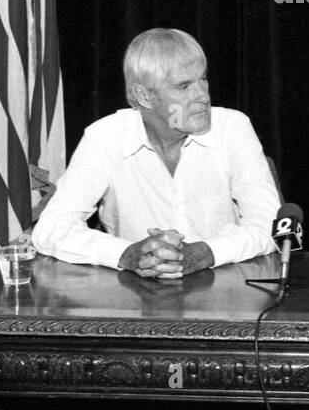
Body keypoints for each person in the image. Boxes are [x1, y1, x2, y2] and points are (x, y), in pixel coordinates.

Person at [33, 28, 280, 278]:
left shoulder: (232, 128)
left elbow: (273, 226)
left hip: (225, 292)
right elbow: (52, 228)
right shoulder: (105, 137)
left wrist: (206, 252)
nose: (203, 96)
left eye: (203, 79)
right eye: (183, 86)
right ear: (144, 96)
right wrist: (126, 254)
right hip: (135, 298)